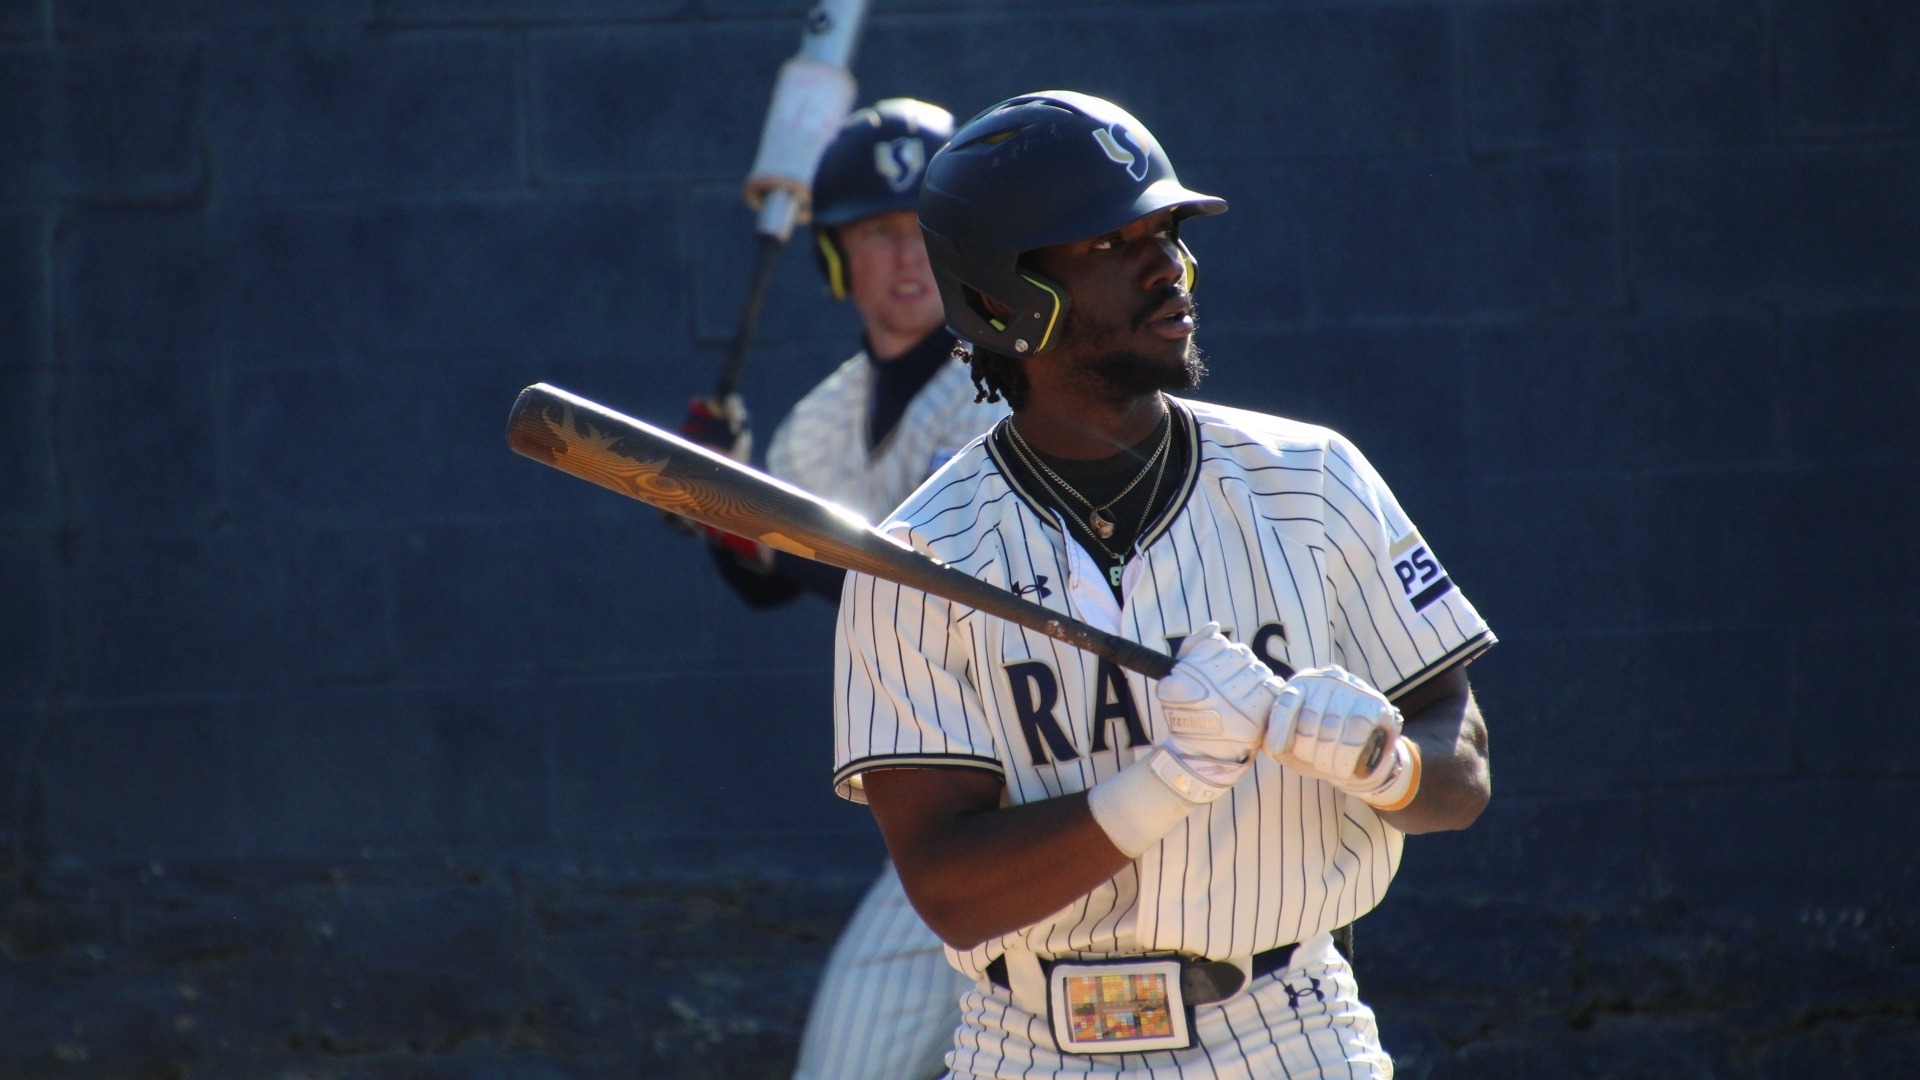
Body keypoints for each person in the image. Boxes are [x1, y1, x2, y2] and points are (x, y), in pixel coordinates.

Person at [831, 90, 1495, 1078]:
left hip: (1285, 1027)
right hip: (1029, 1044)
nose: (1169, 267)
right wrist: (1169, 781)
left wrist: (1382, 766)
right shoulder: (916, 559)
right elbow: (949, 887)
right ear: (1009, 296)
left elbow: (1464, 770)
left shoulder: (1313, 480)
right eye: (1111, 243)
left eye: (1169, 232)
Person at [678, 98, 1004, 1080]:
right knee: (842, 1063)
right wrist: (722, 515)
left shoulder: (1013, 380)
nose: (905, 259)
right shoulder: (819, 425)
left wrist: (746, 519)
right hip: (946, 816)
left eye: (922, 230)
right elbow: (773, 589)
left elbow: (926, 579)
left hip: (1064, 773)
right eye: (874, 233)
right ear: (834, 259)